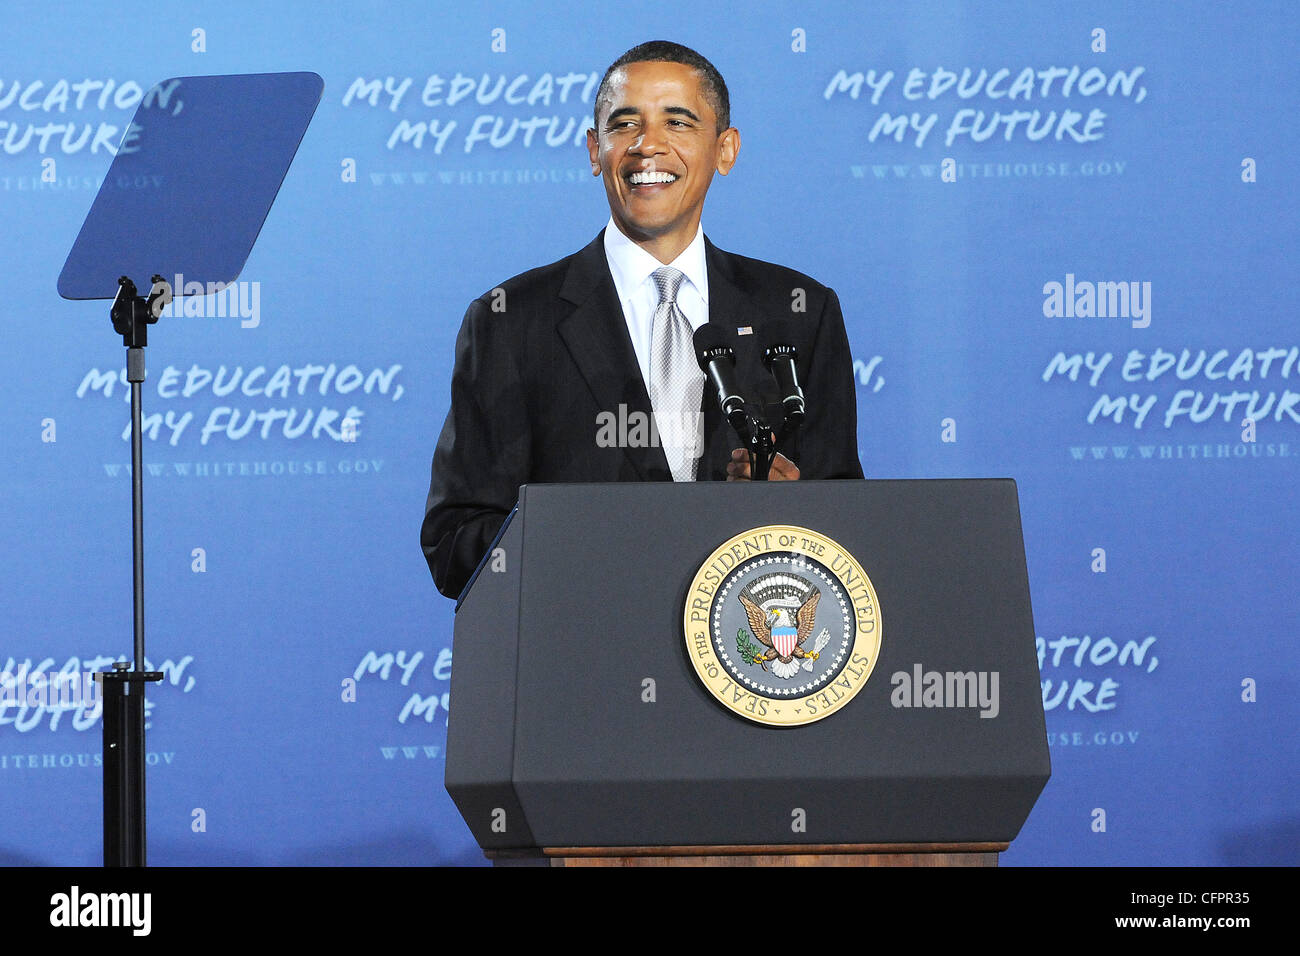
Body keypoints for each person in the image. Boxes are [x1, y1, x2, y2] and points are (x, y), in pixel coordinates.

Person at [421, 40, 863, 599]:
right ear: (593, 150)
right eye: (624, 124)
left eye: (678, 123)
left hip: (750, 661)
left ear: (725, 150)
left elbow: (849, 525)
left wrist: (794, 511)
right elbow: (456, 542)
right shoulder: (510, 321)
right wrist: (606, 543)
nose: (648, 145)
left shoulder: (799, 312)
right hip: (583, 660)